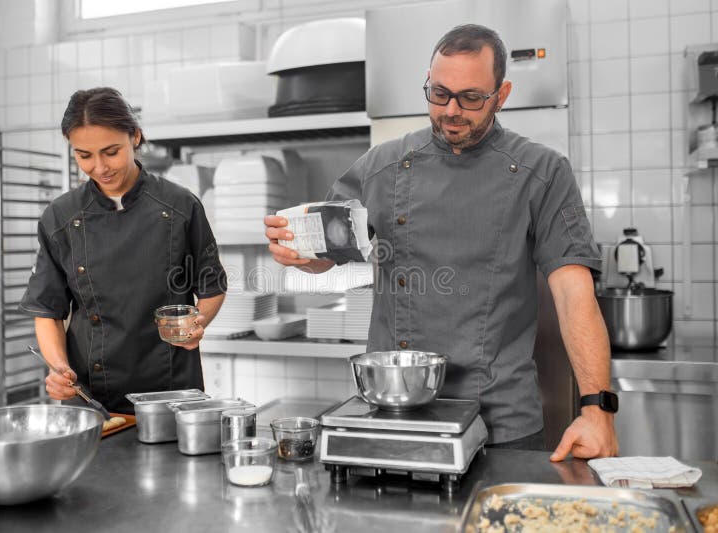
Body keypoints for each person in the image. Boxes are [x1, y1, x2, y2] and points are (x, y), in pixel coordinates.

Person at [264, 24, 618, 460]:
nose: (451, 110)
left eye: (470, 98)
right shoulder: (383, 166)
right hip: (394, 413)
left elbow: (573, 293)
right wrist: (298, 255)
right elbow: (328, 255)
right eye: (438, 93)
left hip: (500, 421)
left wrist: (597, 407)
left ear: (501, 94)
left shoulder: (541, 172)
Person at [20, 87, 226, 414]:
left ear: (135, 136)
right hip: (91, 395)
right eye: (84, 155)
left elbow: (212, 287)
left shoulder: (179, 205)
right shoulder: (60, 217)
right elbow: (48, 309)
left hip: (170, 391)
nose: (100, 167)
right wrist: (59, 367)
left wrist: (198, 322)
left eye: (111, 151)